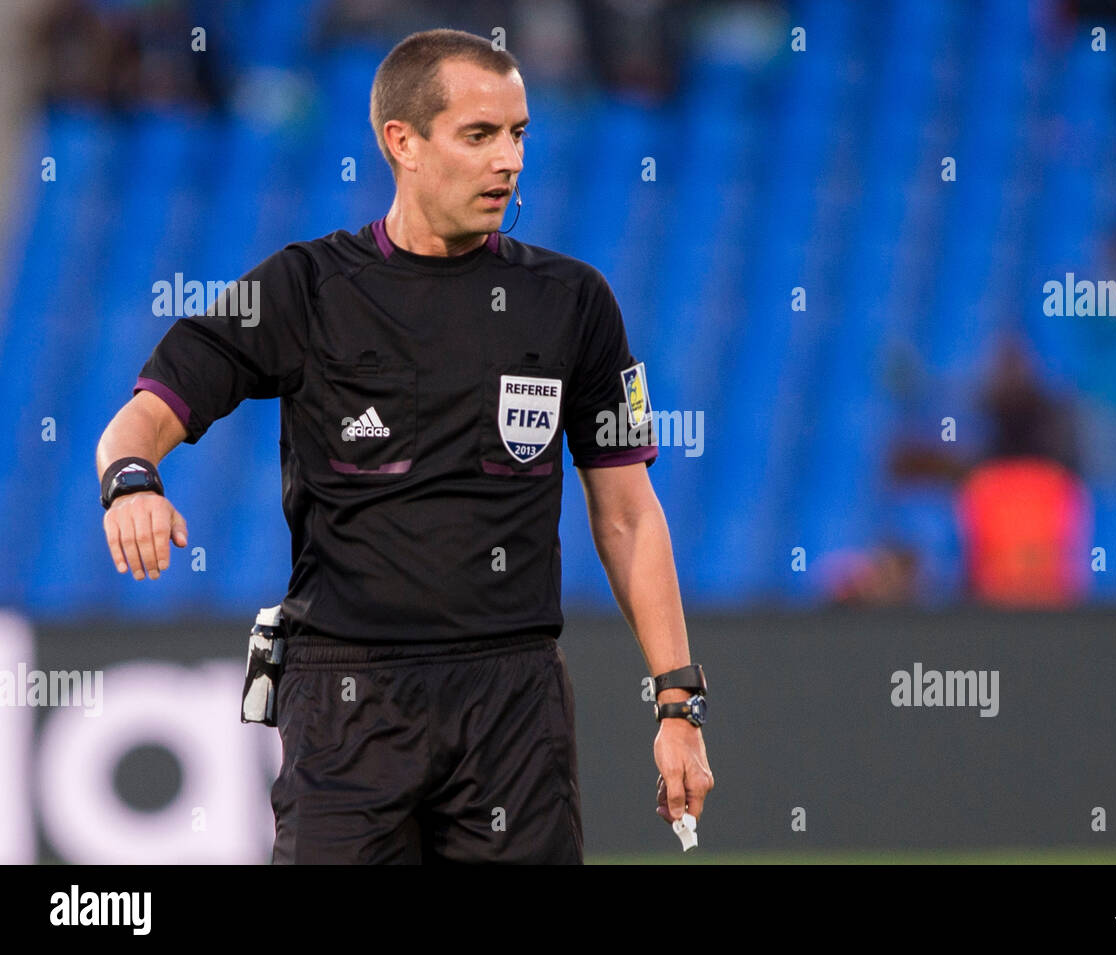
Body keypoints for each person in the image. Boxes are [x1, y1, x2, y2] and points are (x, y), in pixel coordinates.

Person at [94, 28, 713, 864]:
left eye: (519, 134)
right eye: (480, 135)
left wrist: (678, 702)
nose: (510, 161)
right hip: (349, 706)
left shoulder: (573, 301)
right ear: (403, 143)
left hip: (513, 708)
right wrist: (131, 482)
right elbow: (140, 417)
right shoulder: (304, 289)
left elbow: (630, 514)